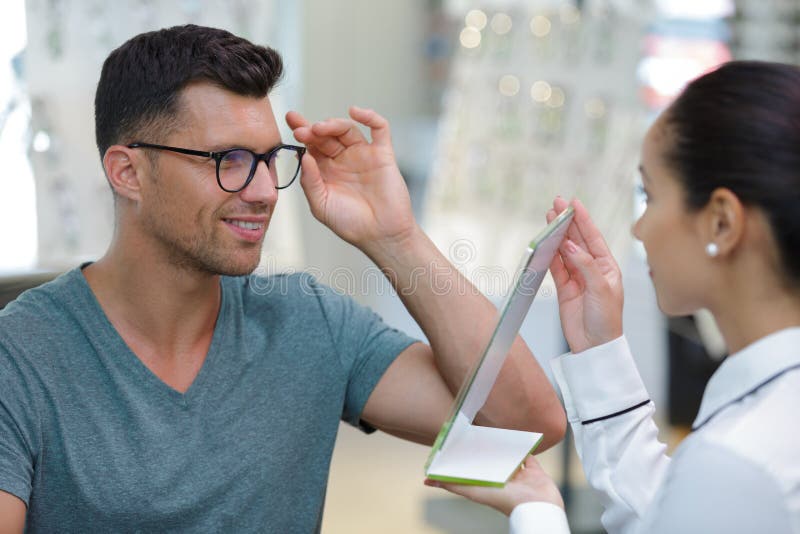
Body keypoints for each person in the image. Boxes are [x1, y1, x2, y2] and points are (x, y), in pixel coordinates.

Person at [0, 25, 567, 532]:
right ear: (128, 172)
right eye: (228, 160)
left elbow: (525, 426)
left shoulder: (306, 319)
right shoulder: (21, 356)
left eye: (271, 158)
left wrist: (394, 238)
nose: (265, 190)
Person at [427, 60, 800, 533]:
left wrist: (537, 513)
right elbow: (673, 516)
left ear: (722, 223)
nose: (638, 228)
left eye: (650, 195)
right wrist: (599, 350)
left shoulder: (740, 462)